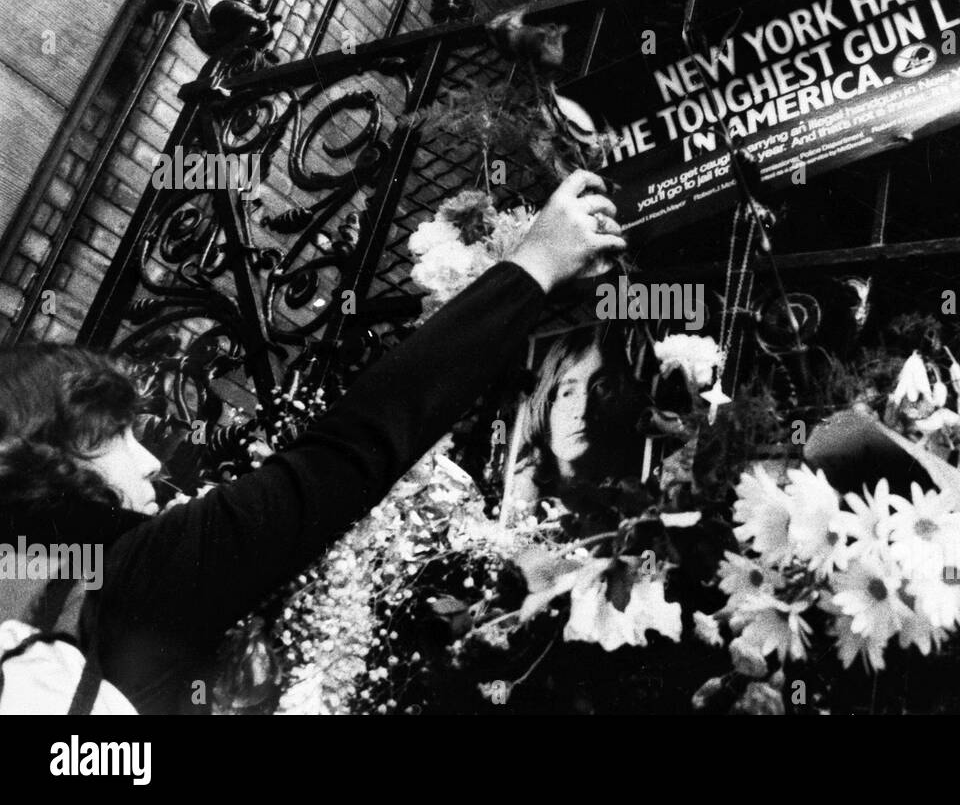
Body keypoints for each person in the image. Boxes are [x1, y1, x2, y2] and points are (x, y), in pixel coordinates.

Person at [0, 170, 625, 714]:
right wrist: (535, 265)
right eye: (112, 437)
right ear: (43, 459)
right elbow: (352, 447)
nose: (148, 462)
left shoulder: (28, 595)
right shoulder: (133, 578)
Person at [505, 326, 647, 518]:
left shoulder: (632, 490)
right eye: (567, 393)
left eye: (601, 388)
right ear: (544, 407)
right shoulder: (521, 492)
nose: (582, 410)